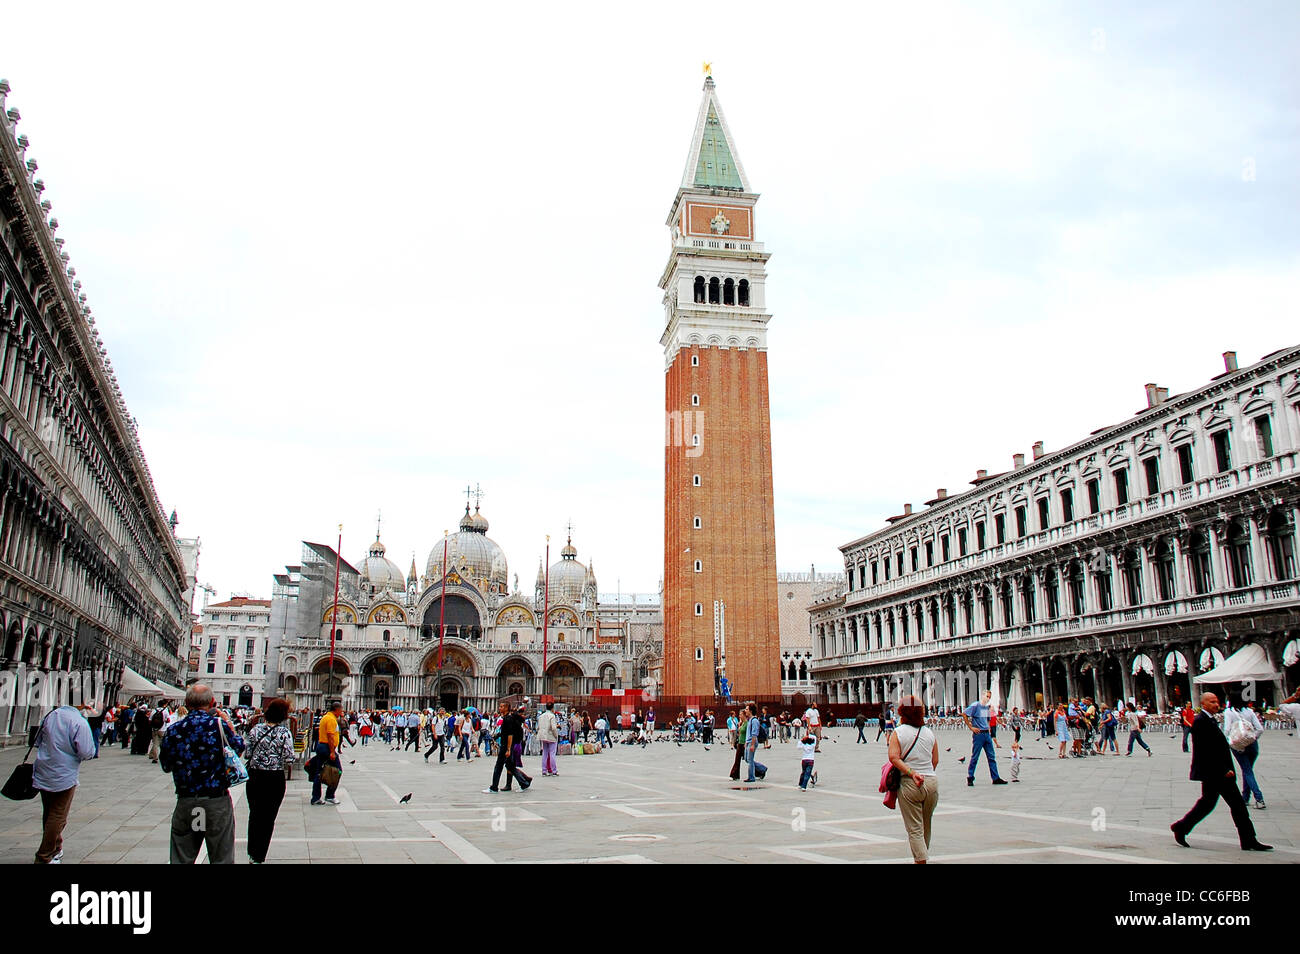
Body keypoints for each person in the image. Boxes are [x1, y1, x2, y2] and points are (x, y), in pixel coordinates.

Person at [1171, 693, 1271, 852]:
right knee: (1237, 805)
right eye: (1212, 702)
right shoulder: (1201, 722)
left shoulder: (1209, 720)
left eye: (1217, 701)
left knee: (1207, 803)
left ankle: (1181, 827)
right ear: (1203, 704)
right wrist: (1224, 770)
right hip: (1217, 773)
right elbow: (1206, 751)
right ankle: (1249, 840)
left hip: (1215, 772)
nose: (1216, 704)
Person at [159, 684, 245, 864]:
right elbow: (238, 748)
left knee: (182, 857)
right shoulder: (218, 726)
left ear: (187, 702)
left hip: (187, 801)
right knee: (221, 857)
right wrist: (229, 724)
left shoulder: (174, 730)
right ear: (212, 702)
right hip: (216, 803)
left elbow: (166, 765)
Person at [31, 703, 96, 863]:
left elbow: (36, 741)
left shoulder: (50, 716)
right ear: (81, 703)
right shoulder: (78, 721)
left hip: (43, 769)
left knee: (49, 812)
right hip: (64, 774)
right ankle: (45, 856)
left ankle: (56, 848)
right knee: (58, 815)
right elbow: (87, 752)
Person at [243, 697, 296, 864]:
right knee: (268, 817)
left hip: (255, 776)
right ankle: (259, 856)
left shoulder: (255, 730)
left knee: (255, 814)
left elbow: (247, 753)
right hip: (274, 778)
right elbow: (289, 758)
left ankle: (252, 851)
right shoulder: (284, 733)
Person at [890, 694, 939, 864]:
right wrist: (925, 773)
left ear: (902, 713)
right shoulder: (929, 732)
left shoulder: (898, 732)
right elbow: (935, 760)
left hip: (911, 784)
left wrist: (912, 773)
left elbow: (894, 757)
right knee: (926, 825)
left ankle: (921, 860)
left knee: (914, 829)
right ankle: (921, 858)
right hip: (931, 782)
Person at [1222, 696, 1265, 810]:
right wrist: (1253, 738)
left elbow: (1226, 729)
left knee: (1247, 770)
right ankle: (1245, 797)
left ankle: (1259, 798)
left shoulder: (1229, 712)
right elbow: (1260, 728)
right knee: (1248, 770)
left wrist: (1226, 742)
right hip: (1252, 744)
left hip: (1238, 745)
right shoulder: (1249, 711)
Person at [484, 702, 531, 793]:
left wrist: (509, 749)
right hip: (507, 745)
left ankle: (494, 787)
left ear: (506, 708)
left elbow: (510, 735)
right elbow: (506, 732)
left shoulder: (508, 719)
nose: (499, 708)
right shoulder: (507, 718)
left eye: (502, 706)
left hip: (506, 746)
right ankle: (524, 782)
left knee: (499, 766)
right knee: (510, 766)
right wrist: (497, 735)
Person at [963, 690, 1007, 786]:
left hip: (987, 734)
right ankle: (970, 777)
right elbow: (964, 714)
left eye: (989, 697)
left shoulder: (985, 708)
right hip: (979, 734)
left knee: (991, 756)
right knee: (975, 756)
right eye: (987, 696)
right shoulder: (975, 705)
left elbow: (986, 720)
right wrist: (971, 727)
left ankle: (995, 778)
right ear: (982, 696)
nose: (988, 699)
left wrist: (989, 730)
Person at [309, 702, 344, 806]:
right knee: (338, 771)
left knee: (319, 773)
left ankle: (316, 798)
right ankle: (329, 795)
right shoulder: (331, 719)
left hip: (323, 746)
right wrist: (332, 751)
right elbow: (330, 736)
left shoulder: (326, 717)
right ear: (336, 709)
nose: (341, 712)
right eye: (341, 710)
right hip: (327, 748)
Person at [743, 704, 767, 783]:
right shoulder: (750, 720)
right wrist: (746, 742)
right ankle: (762, 768)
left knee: (750, 760)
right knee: (747, 759)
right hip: (748, 741)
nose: (745, 711)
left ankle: (751, 777)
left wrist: (752, 744)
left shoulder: (754, 721)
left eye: (746, 709)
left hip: (752, 741)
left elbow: (754, 734)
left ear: (750, 711)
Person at [537, 703, 559, 776]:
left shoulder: (541, 716)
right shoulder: (552, 716)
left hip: (543, 736)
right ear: (552, 708)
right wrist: (556, 735)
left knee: (545, 753)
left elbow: (538, 727)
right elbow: (553, 728)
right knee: (552, 753)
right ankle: (554, 770)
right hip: (551, 736)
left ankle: (544, 770)